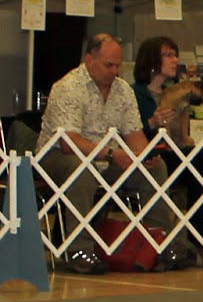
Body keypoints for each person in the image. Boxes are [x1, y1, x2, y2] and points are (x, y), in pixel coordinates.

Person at [36, 33, 182, 275]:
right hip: (57, 157)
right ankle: (78, 249)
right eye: (108, 65)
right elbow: (68, 143)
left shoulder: (123, 90)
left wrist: (145, 154)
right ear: (89, 60)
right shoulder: (67, 88)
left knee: (155, 168)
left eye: (117, 65)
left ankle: (160, 242)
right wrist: (110, 153)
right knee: (79, 168)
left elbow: (134, 133)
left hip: (106, 157)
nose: (114, 71)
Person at [133, 35, 203, 266]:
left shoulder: (177, 93)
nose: (175, 60)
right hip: (149, 155)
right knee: (201, 163)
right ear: (152, 60)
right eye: (168, 55)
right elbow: (130, 131)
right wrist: (152, 122)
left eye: (175, 55)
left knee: (201, 164)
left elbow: (181, 132)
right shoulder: (135, 93)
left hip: (173, 154)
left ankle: (198, 235)